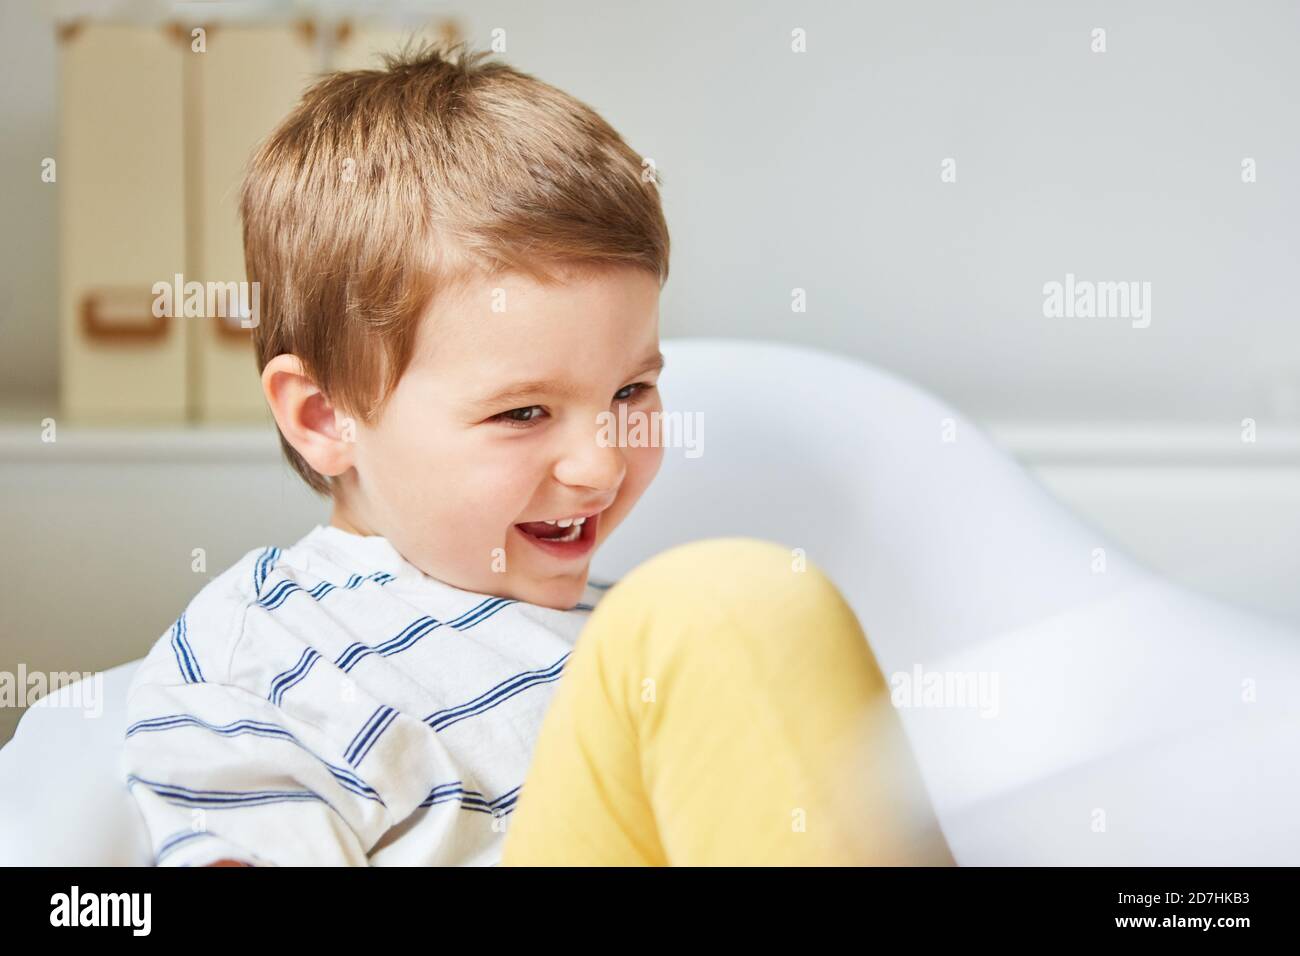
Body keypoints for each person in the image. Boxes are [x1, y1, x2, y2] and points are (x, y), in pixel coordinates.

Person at [120, 40, 952, 866]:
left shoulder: (632, 643)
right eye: (523, 412)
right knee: (729, 602)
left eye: (631, 393)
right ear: (325, 415)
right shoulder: (264, 651)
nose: (601, 465)